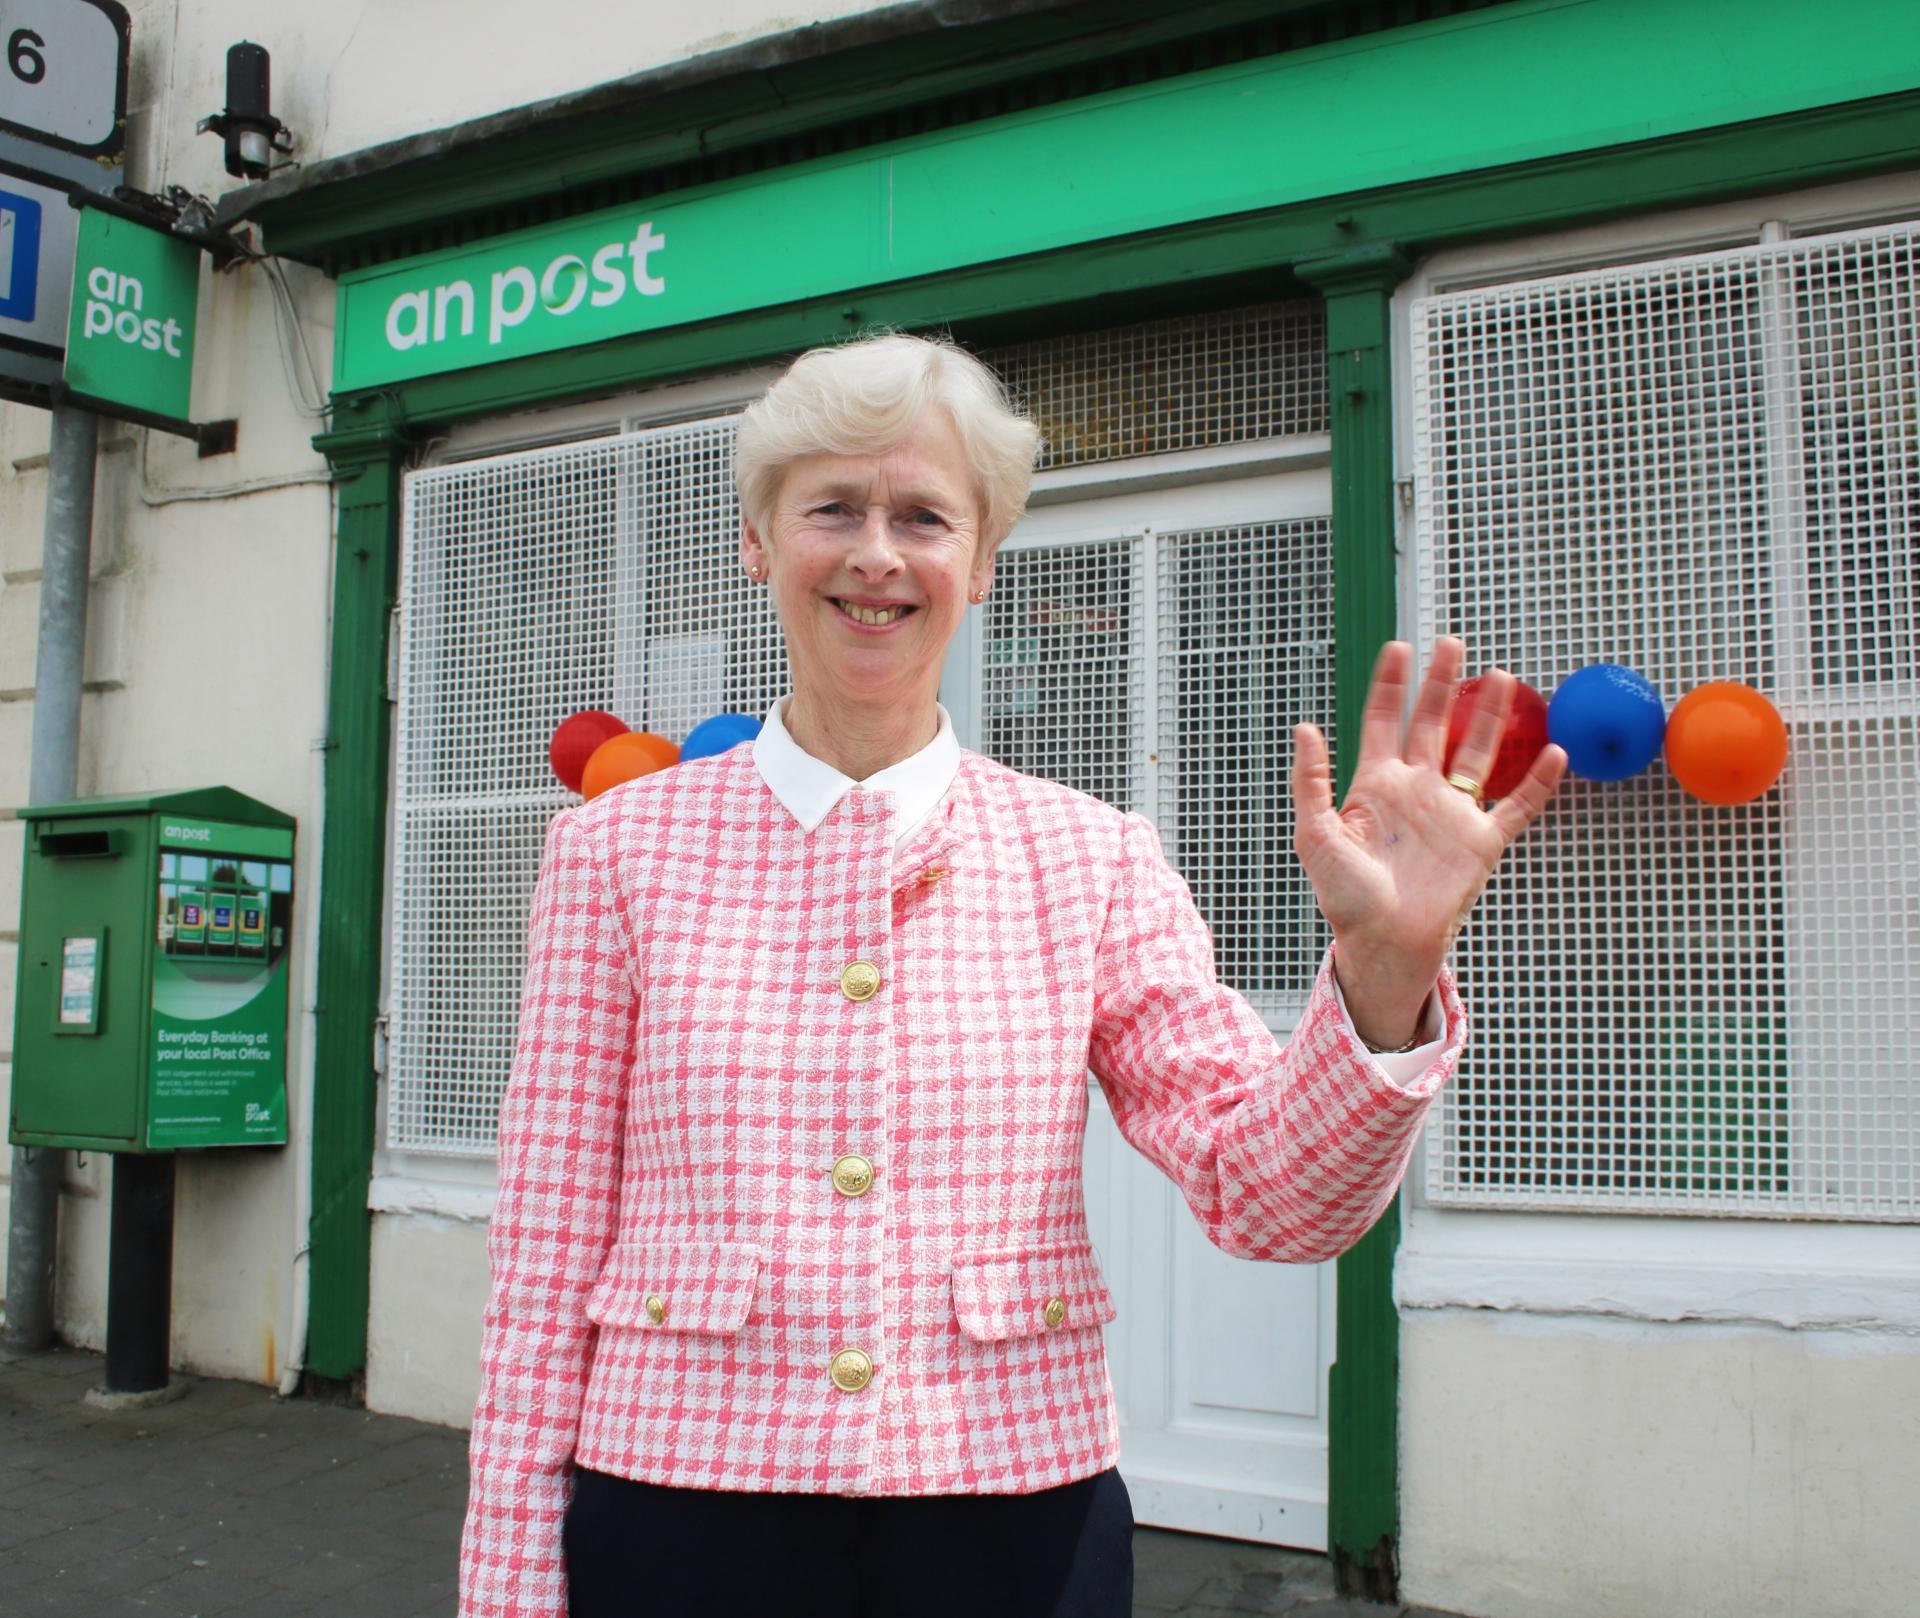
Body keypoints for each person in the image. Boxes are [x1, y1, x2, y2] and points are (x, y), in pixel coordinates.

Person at [456, 333, 1566, 1618]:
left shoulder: (1090, 858)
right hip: (683, 1507)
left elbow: (1266, 1194)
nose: (879, 552)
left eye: (925, 516)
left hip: (1007, 1519)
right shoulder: (615, 849)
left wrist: (1384, 974)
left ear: (979, 565)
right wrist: (509, 1582)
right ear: (759, 541)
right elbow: (544, 1256)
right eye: (833, 508)